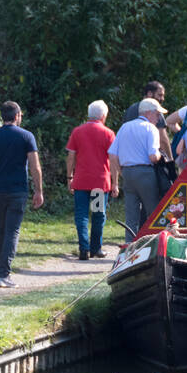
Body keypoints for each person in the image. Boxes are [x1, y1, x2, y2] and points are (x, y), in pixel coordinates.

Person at [0, 102, 44, 288]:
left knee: (0, 229)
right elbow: (34, 166)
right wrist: (38, 190)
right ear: (16, 116)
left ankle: (1, 269)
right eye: (20, 115)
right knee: (12, 231)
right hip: (17, 190)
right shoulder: (27, 136)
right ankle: (3, 274)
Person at [109, 97, 166, 242]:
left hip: (128, 172)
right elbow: (153, 156)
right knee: (153, 211)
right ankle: (155, 243)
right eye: (157, 114)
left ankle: (130, 245)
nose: (159, 118)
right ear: (148, 113)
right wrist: (161, 155)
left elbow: (113, 154)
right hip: (146, 173)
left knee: (131, 214)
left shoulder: (125, 127)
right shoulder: (151, 128)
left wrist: (121, 172)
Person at [65, 100, 115, 261]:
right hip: (100, 183)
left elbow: (71, 156)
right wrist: (115, 182)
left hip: (81, 181)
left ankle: (83, 248)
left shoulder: (77, 132)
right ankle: (96, 248)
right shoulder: (108, 133)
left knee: (81, 215)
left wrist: (69, 177)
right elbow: (113, 159)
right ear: (103, 115)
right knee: (98, 214)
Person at [122, 81, 174, 158]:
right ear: (149, 93)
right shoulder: (155, 110)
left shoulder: (130, 109)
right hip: (147, 161)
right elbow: (162, 139)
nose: (162, 99)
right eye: (160, 95)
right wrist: (170, 159)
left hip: (128, 159)